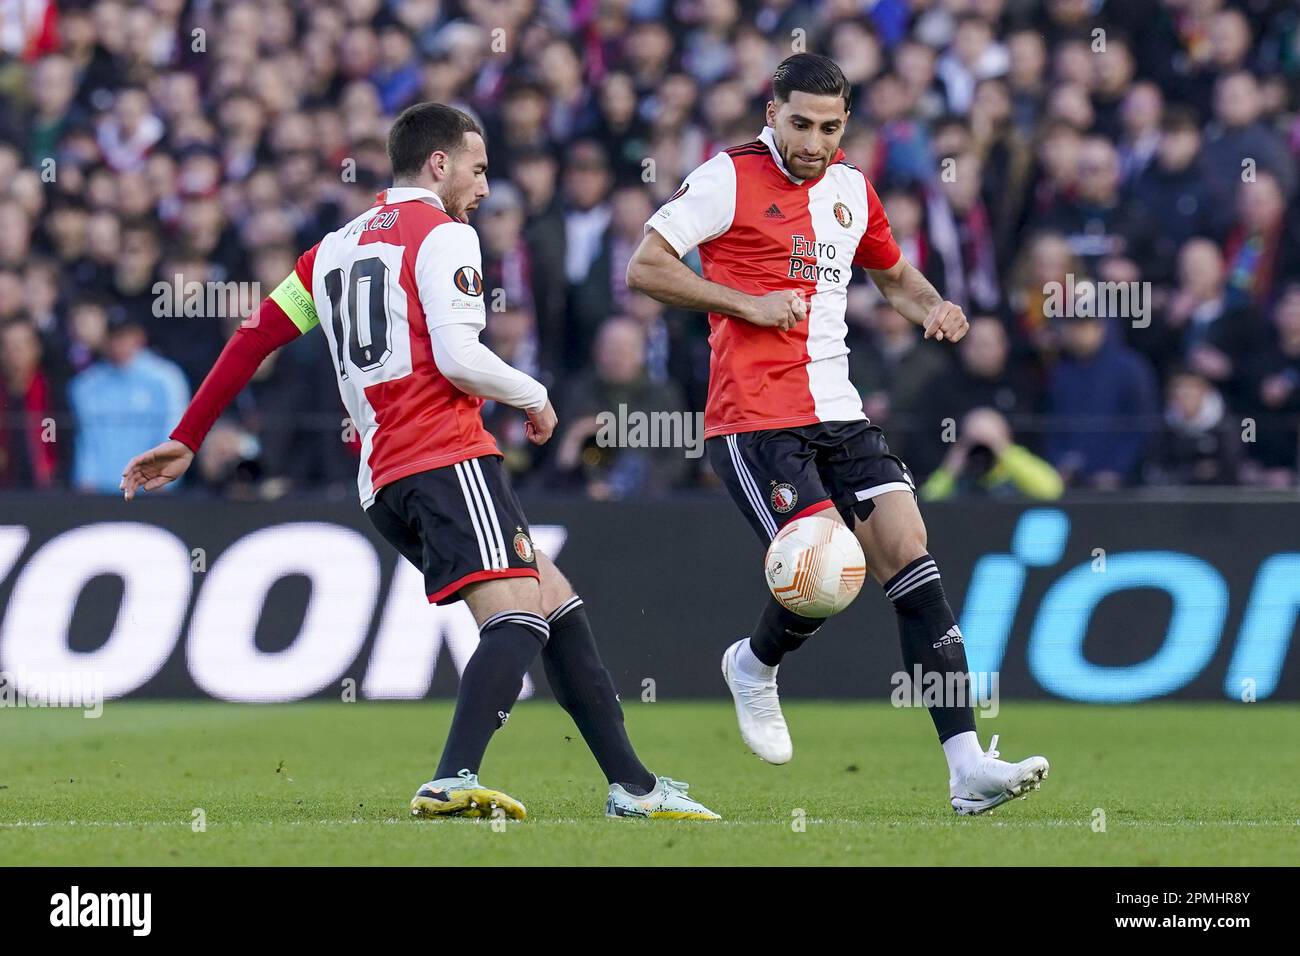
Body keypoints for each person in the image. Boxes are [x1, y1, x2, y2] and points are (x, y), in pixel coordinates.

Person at [121, 103, 717, 823]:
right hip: (443, 454)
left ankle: (635, 786)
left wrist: (189, 434)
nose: (485, 186)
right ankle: (452, 777)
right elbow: (460, 358)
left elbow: (252, 336)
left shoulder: (331, 250)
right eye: (479, 167)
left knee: (554, 604)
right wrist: (534, 395)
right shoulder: (444, 232)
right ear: (439, 163)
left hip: (383, 477)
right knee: (518, 617)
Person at [627, 53, 1048, 815]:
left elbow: (890, 271)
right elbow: (646, 267)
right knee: (830, 570)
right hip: (754, 418)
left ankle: (966, 768)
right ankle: (754, 665)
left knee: (912, 561)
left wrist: (932, 306)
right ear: (772, 111)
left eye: (829, 126)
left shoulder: (852, 188)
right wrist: (744, 304)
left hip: (839, 411)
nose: (813, 141)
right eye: (799, 123)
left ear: (845, 124)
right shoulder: (728, 177)